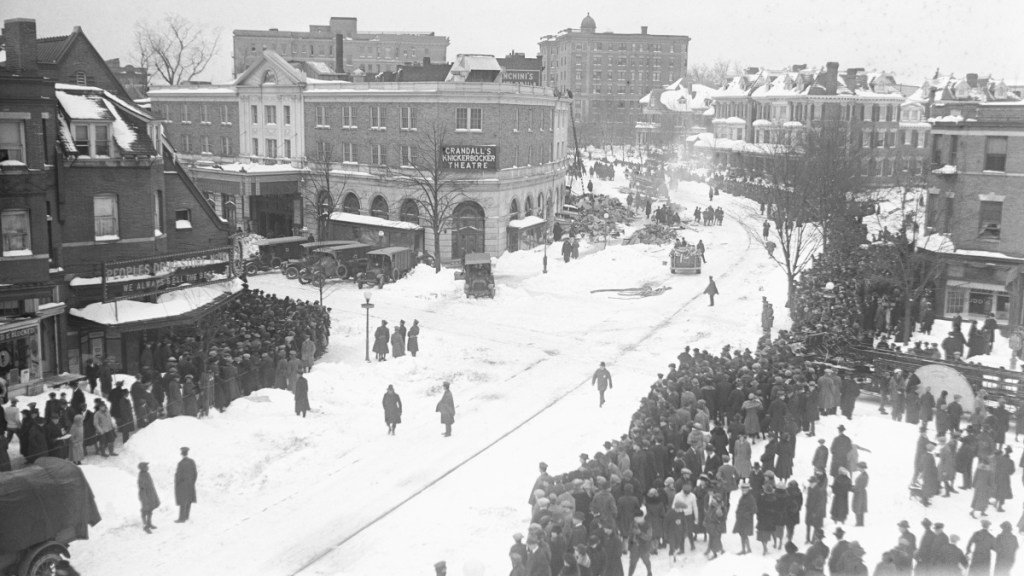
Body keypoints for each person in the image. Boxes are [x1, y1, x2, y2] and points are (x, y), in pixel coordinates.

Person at [175, 446, 198, 523]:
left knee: (182, 502)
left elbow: (178, 476)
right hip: (190, 485)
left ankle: (181, 518)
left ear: (182, 454)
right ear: (187, 453)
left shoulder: (180, 464)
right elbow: (195, 473)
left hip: (182, 486)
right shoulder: (192, 462)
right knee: (189, 500)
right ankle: (186, 516)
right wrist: (192, 482)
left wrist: (177, 484)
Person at [138, 462, 160, 534]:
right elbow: (142, 489)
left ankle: (149, 523)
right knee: (145, 510)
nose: (148, 467)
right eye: (146, 466)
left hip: (150, 494)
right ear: (143, 468)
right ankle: (145, 526)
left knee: (150, 509)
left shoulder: (147, 474)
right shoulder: (141, 476)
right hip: (145, 495)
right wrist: (145, 499)